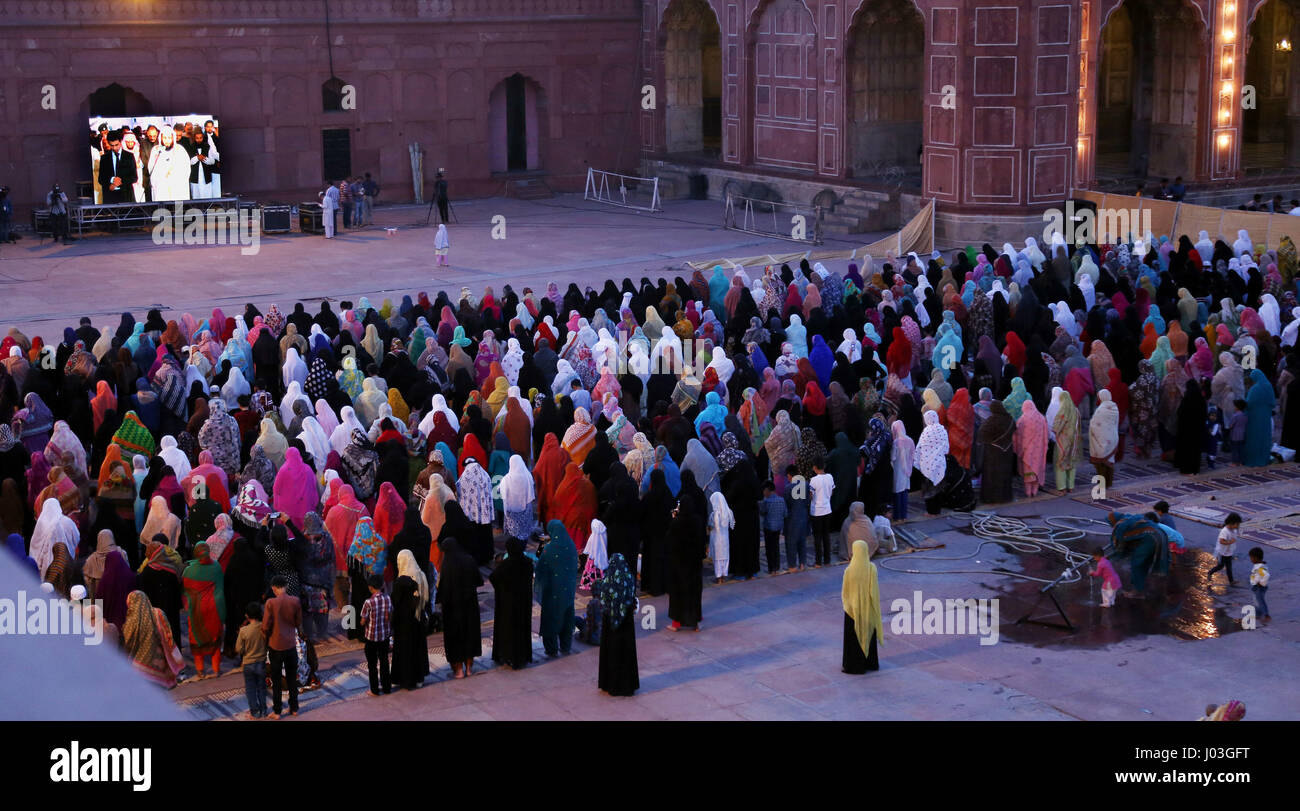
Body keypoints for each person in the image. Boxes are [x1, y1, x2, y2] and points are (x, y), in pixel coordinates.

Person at [435, 537, 483, 677]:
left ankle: (459, 670)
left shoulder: (447, 564)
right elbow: (478, 581)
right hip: (470, 606)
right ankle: (469, 668)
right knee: (470, 635)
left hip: (453, 609)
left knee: (456, 638)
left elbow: (443, 589)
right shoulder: (468, 559)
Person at [489, 535, 534, 670]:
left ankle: (508, 656)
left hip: (507, 603)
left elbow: (493, 578)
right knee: (522, 628)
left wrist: (502, 589)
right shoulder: (527, 562)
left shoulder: (506, 565)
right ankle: (522, 656)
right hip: (523, 602)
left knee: (507, 629)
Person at [181, 541, 225, 679]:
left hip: (196, 609)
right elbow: (220, 591)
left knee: (196, 638)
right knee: (215, 638)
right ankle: (216, 669)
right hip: (214, 608)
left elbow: (185, 592)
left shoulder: (188, 571)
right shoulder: (216, 567)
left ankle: (200, 670)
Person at [597, 552, 639, 696]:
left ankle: (610, 684)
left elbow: (603, 599)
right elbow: (632, 597)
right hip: (626, 622)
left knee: (611, 652)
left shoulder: (607, 580)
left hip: (610, 623)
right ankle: (627, 686)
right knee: (626, 653)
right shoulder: (629, 577)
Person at [262, 574, 303, 718]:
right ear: (286, 586)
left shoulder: (270, 603)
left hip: (275, 645)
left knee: (277, 680)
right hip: (290, 644)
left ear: (274, 588)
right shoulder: (295, 601)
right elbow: (298, 622)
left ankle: (277, 711)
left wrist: (264, 637)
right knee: (292, 678)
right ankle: (294, 708)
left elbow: (266, 626)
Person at [536, 520, 578, 655]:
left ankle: (551, 649)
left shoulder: (549, 549)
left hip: (552, 592)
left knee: (551, 619)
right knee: (567, 618)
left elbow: (540, 569)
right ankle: (565, 646)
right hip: (568, 591)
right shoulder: (571, 546)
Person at [391, 549, 430, 690]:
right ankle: (419, 678)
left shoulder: (400, 582)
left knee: (405, 651)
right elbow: (426, 598)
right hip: (418, 619)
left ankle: (405, 679)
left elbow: (394, 603)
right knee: (418, 648)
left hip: (403, 624)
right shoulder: (421, 575)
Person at [841, 539, 881, 674]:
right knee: (868, 635)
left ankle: (854, 666)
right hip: (868, 609)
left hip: (852, 610)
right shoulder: (871, 569)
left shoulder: (849, 570)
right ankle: (870, 663)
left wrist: (848, 606)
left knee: (853, 639)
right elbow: (874, 590)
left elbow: (845, 592)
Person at [666, 496, 705, 631]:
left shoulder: (676, 523)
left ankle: (676, 623)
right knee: (694, 593)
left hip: (679, 564)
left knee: (678, 593)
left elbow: (670, 541)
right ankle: (695, 623)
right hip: (694, 563)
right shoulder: (698, 521)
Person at [360, 573, 393, 695]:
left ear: (370, 587)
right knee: (384, 661)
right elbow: (390, 616)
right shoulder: (388, 598)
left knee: (372, 665)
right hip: (384, 636)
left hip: (371, 638)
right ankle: (387, 688)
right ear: (383, 585)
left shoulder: (368, 602)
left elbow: (363, 621)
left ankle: (374, 690)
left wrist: (362, 622)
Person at [235, 601, 268, 719]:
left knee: (250, 689)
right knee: (261, 687)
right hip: (261, 662)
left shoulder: (244, 631)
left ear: (247, 616)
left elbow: (238, 648)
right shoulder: (264, 627)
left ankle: (255, 712)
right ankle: (264, 710)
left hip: (248, 663)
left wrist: (245, 651)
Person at [98, 130, 138, 203]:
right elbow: (101, 179)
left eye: (116, 145)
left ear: (121, 142)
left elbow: (134, 177)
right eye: (112, 145)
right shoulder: (104, 158)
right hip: (110, 197)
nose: (114, 148)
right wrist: (112, 180)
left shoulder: (129, 156)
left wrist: (120, 181)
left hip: (127, 197)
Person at [808, 461, 834, 566]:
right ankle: (827, 560)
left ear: (814, 467)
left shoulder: (813, 480)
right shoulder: (830, 477)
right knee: (826, 535)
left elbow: (811, 495)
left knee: (817, 537)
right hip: (827, 509)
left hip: (816, 511)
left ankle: (818, 561)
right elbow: (832, 491)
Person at [757, 480, 786, 574]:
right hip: (778, 527)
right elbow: (785, 514)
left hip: (768, 527)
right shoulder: (781, 500)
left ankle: (771, 568)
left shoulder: (767, 501)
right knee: (776, 546)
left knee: (769, 548)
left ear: (767, 489)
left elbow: (762, 512)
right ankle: (776, 566)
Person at [1207, 512, 1241, 586]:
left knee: (1229, 567)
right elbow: (1221, 541)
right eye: (1237, 524)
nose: (1237, 526)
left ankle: (1231, 581)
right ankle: (1210, 572)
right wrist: (1230, 542)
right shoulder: (1224, 531)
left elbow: (1234, 535)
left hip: (1229, 552)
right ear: (1231, 523)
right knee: (1221, 566)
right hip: (1222, 553)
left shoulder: (1233, 530)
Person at [1248, 547, 1270, 624]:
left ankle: (1266, 615)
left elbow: (1266, 575)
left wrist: (1261, 583)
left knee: (1260, 601)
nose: (1250, 559)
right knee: (1256, 601)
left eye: (1251, 558)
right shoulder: (1258, 566)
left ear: (1255, 558)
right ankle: (1258, 614)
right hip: (1256, 586)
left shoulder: (1260, 568)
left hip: (1259, 587)